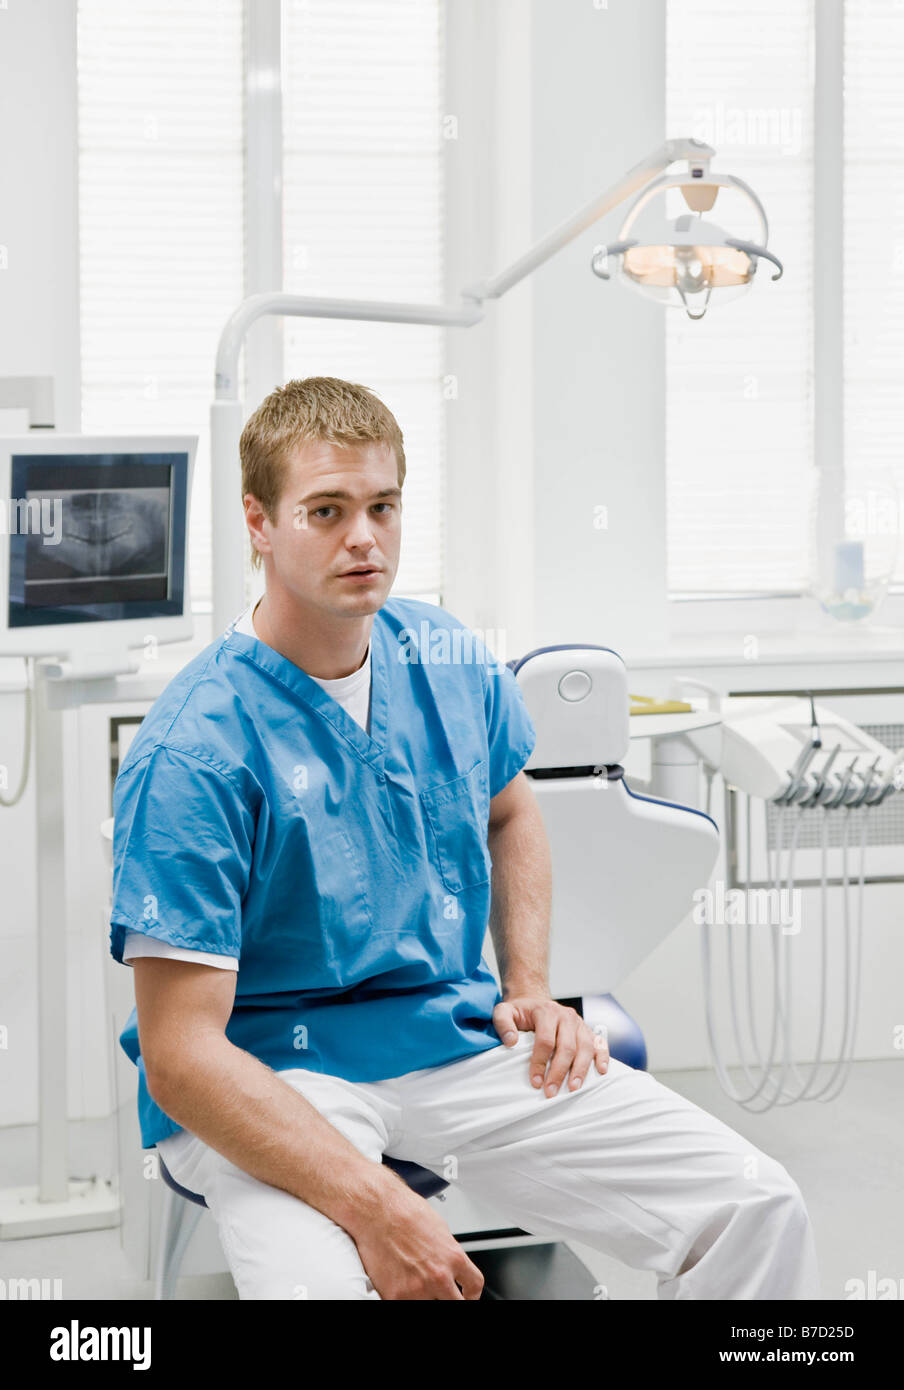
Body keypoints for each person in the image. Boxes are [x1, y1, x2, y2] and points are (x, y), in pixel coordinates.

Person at [110, 376, 820, 1301]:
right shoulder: (193, 749)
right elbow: (182, 1055)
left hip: (449, 1039)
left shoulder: (444, 657)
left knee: (759, 1206)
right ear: (258, 523)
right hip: (270, 1073)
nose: (362, 538)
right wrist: (376, 1207)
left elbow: (511, 808)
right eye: (325, 511)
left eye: (381, 507)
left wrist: (530, 986)